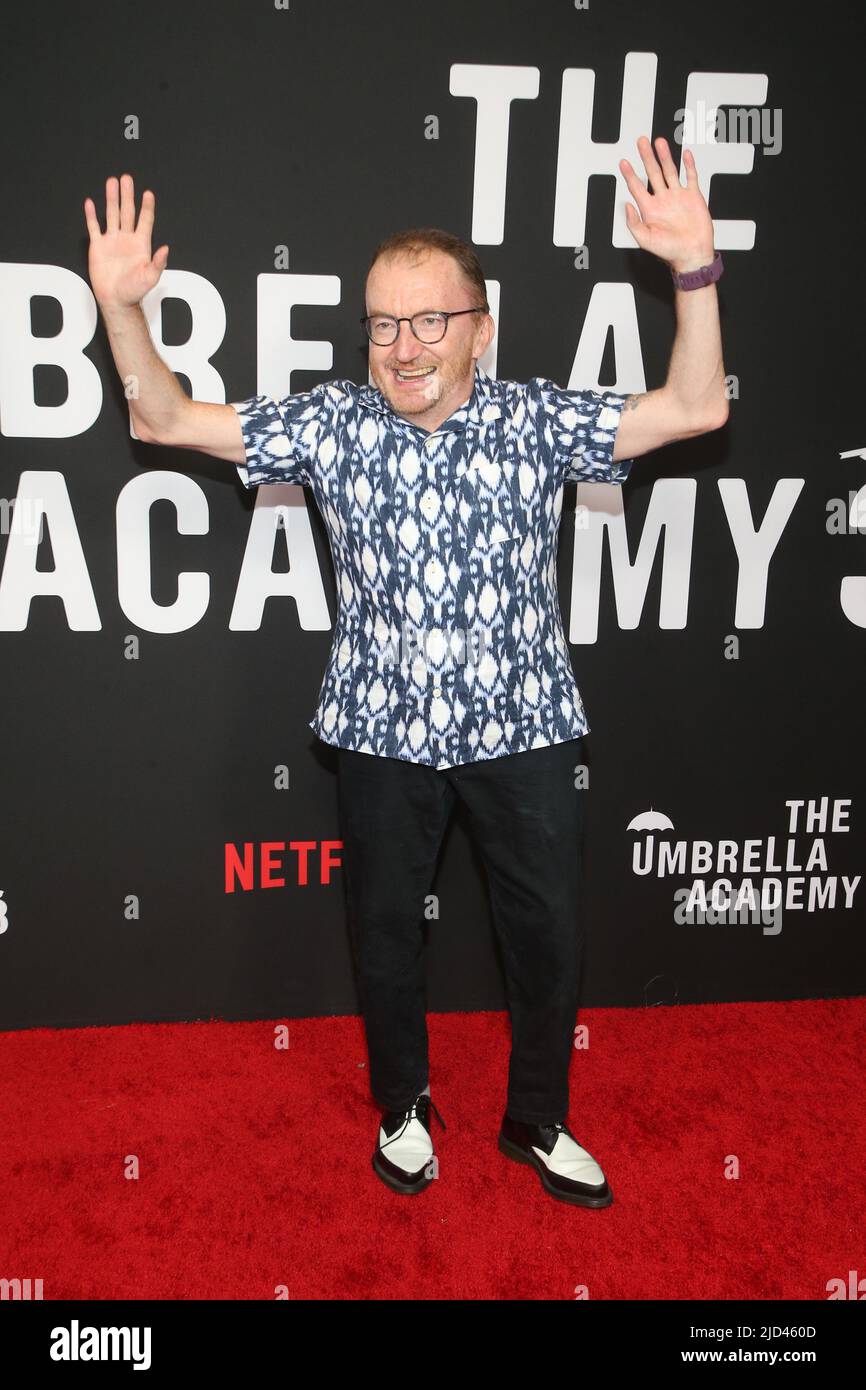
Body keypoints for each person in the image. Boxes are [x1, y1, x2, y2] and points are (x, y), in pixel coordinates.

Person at [83, 134, 727, 1207]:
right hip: (379, 730)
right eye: (383, 322)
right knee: (384, 938)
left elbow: (694, 406)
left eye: (430, 319)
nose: (403, 345)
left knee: (546, 938)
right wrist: (121, 310)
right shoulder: (333, 422)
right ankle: (403, 1107)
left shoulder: (532, 417)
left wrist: (693, 273)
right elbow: (161, 417)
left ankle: (536, 1119)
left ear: (481, 328)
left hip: (522, 725)